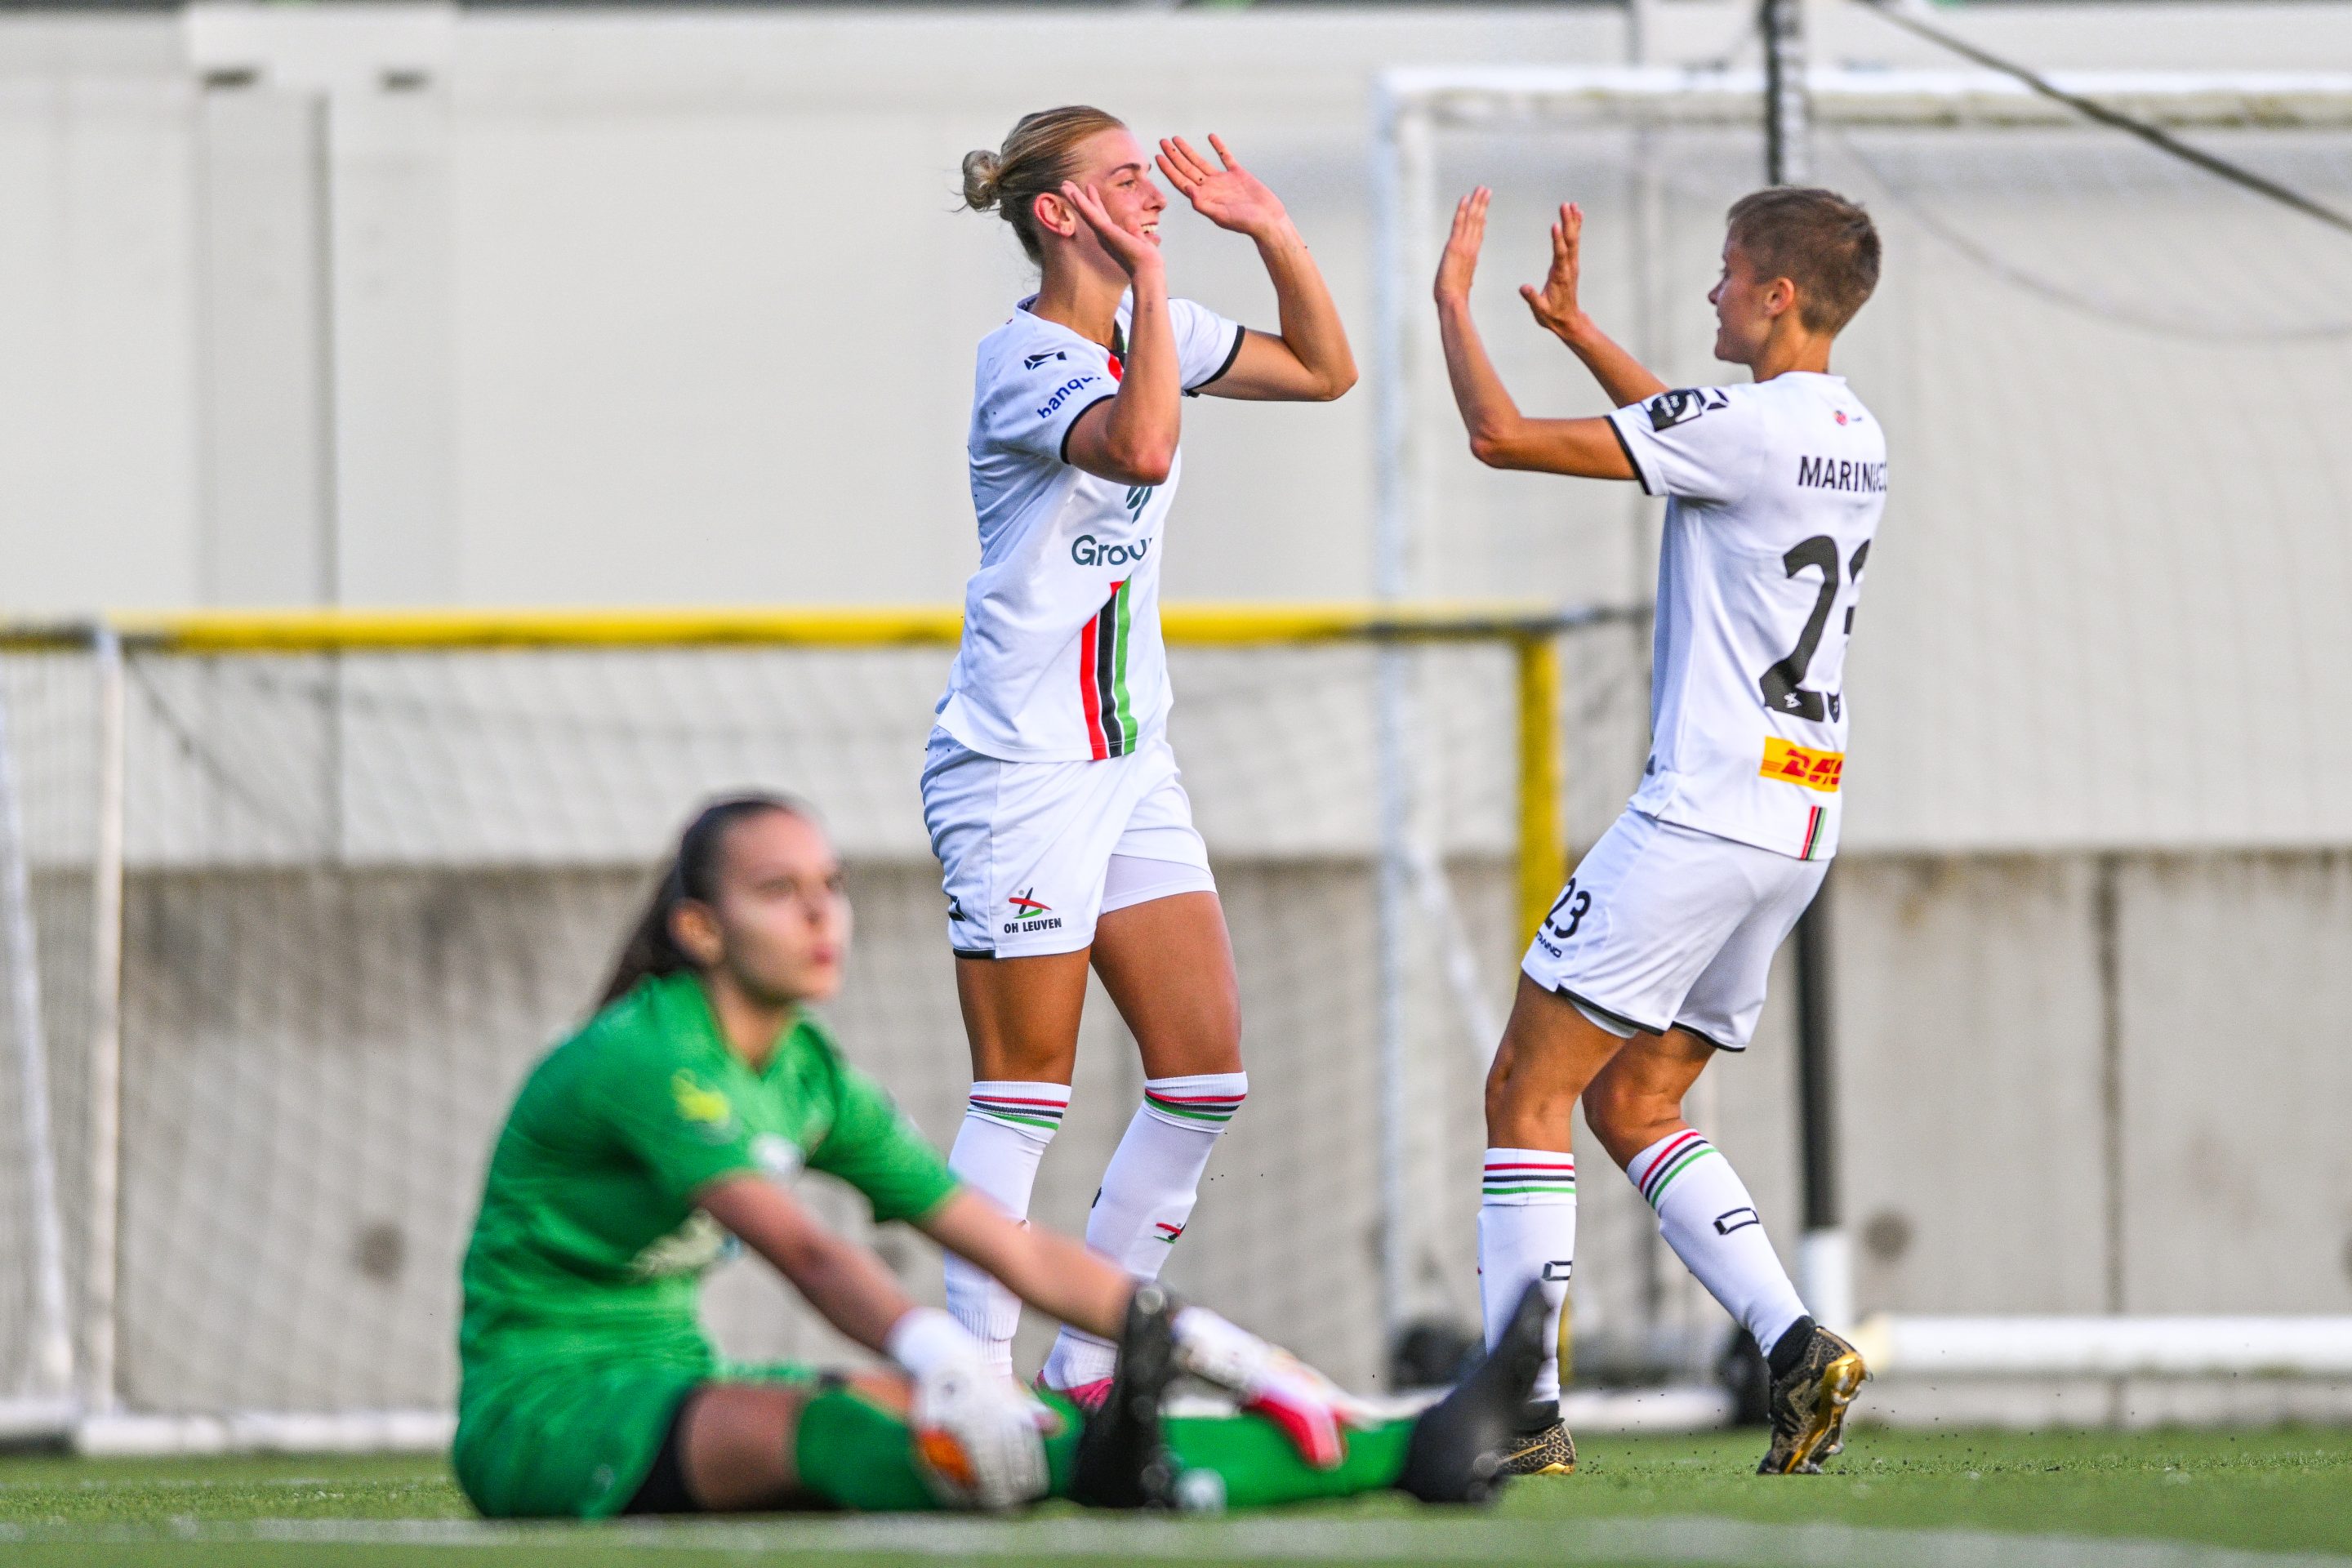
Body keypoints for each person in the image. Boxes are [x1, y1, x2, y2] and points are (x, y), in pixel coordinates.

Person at [452, 794, 1542, 1518]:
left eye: (829, 886)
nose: (823, 915)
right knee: (862, 1429)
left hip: (669, 1383)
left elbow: (1001, 1244)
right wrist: (943, 1360)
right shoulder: (653, 1056)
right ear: (699, 929)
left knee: (1032, 1418)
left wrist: (1226, 1350)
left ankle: (1412, 1448)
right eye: (779, 893)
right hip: (542, 1418)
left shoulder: (805, 1070)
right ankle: (1102, 1466)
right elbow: (805, 1253)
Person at [1431, 186, 1886, 1477]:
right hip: (1797, 825)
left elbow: (1501, 437)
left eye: (1730, 271)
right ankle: (1796, 1344)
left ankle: (1520, 1414)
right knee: (1637, 1099)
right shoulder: (1854, 431)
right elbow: (1698, 438)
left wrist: (1455, 307)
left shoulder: (1744, 432)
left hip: (1700, 814)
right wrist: (1579, 329)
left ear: (1778, 294)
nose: (1714, 292)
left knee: (1528, 1085)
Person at [929, 106, 1357, 1401]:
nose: (1154, 193)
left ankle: (1087, 1372)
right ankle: (975, 1383)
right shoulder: (1030, 359)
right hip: (1021, 770)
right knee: (1024, 1095)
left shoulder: (1145, 326)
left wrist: (1272, 231)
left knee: (1203, 1078)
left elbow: (1324, 371)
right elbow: (1144, 443)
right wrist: (1162, 285)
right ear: (1059, 215)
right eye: (1124, 180)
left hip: (1131, 764)